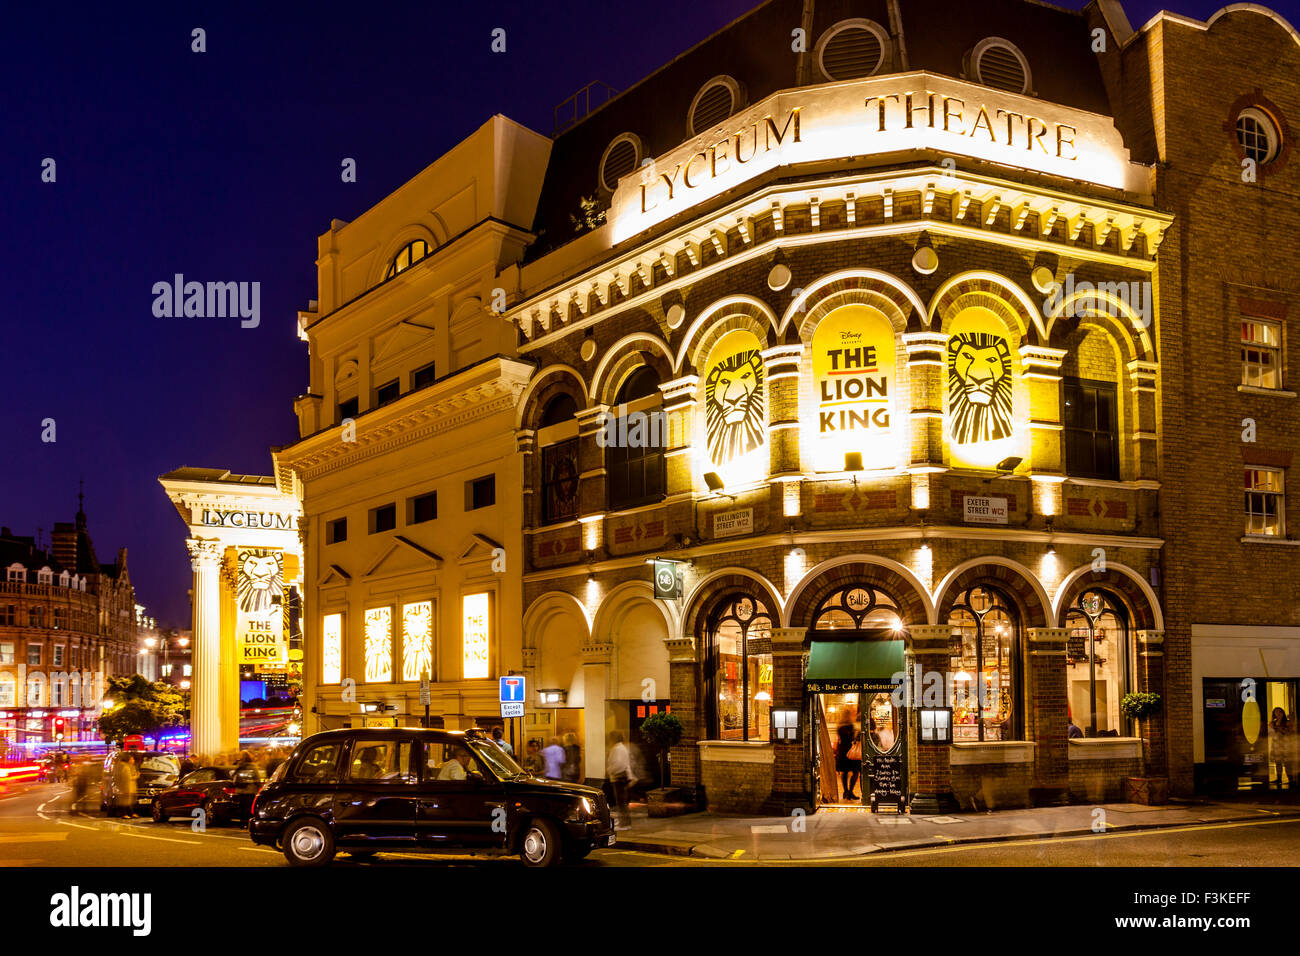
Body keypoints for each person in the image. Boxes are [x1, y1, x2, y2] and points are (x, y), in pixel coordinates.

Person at [606, 732, 637, 829]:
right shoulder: (622, 748)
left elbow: (618, 764)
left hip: (618, 777)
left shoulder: (617, 749)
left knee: (621, 802)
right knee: (622, 802)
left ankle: (625, 824)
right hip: (623, 777)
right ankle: (624, 822)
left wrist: (610, 770)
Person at [1271, 707, 1296, 791]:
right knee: (1278, 763)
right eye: (1276, 712)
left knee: (1287, 763)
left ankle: (1290, 779)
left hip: (1285, 745)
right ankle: (1279, 779)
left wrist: (1281, 729)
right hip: (1276, 745)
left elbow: (1290, 732)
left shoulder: (1287, 722)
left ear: (1283, 713)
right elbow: (1271, 735)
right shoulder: (1273, 723)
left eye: (1280, 712)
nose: (1278, 714)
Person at [835, 720, 860, 801]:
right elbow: (852, 738)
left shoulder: (839, 727)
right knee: (855, 772)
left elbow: (839, 739)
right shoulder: (850, 726)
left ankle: (846, 791)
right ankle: (850, 792)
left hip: (842, 751)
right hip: (851, 751)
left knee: (845, 772)